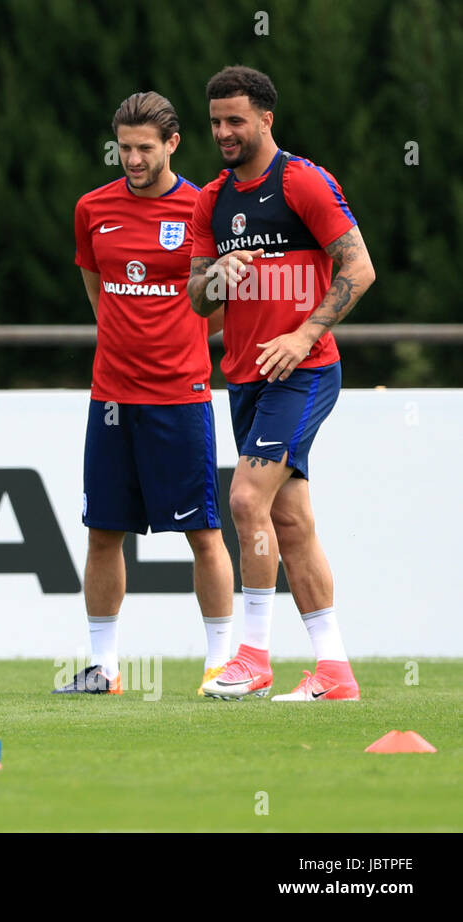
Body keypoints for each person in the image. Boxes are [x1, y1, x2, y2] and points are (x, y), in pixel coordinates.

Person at [188, 66, 376, 701]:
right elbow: (197, 302)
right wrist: (220, 274)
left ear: (267, 119)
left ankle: (253, 656)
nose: (224, 132)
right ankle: (335, 670)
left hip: (305, 370)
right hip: (244, 376)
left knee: (244, 500)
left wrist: (302, 336)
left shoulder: (303, 182)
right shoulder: (211, 200)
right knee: (289, 519)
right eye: (216, 122)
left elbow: (359, 267)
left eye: (236, 120)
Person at [55, 92, 235, 697]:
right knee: (103, 531)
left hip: (181, 396)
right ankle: (103, 669)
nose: (132, 159)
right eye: (124, 148)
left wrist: (175, 342)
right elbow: (97, 293)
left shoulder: (204, 206)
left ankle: (220, 667)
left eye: (144, 149)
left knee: (202, 533)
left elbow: (217, 307)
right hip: (110, 397)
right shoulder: (91, 208)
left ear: (173, 145)